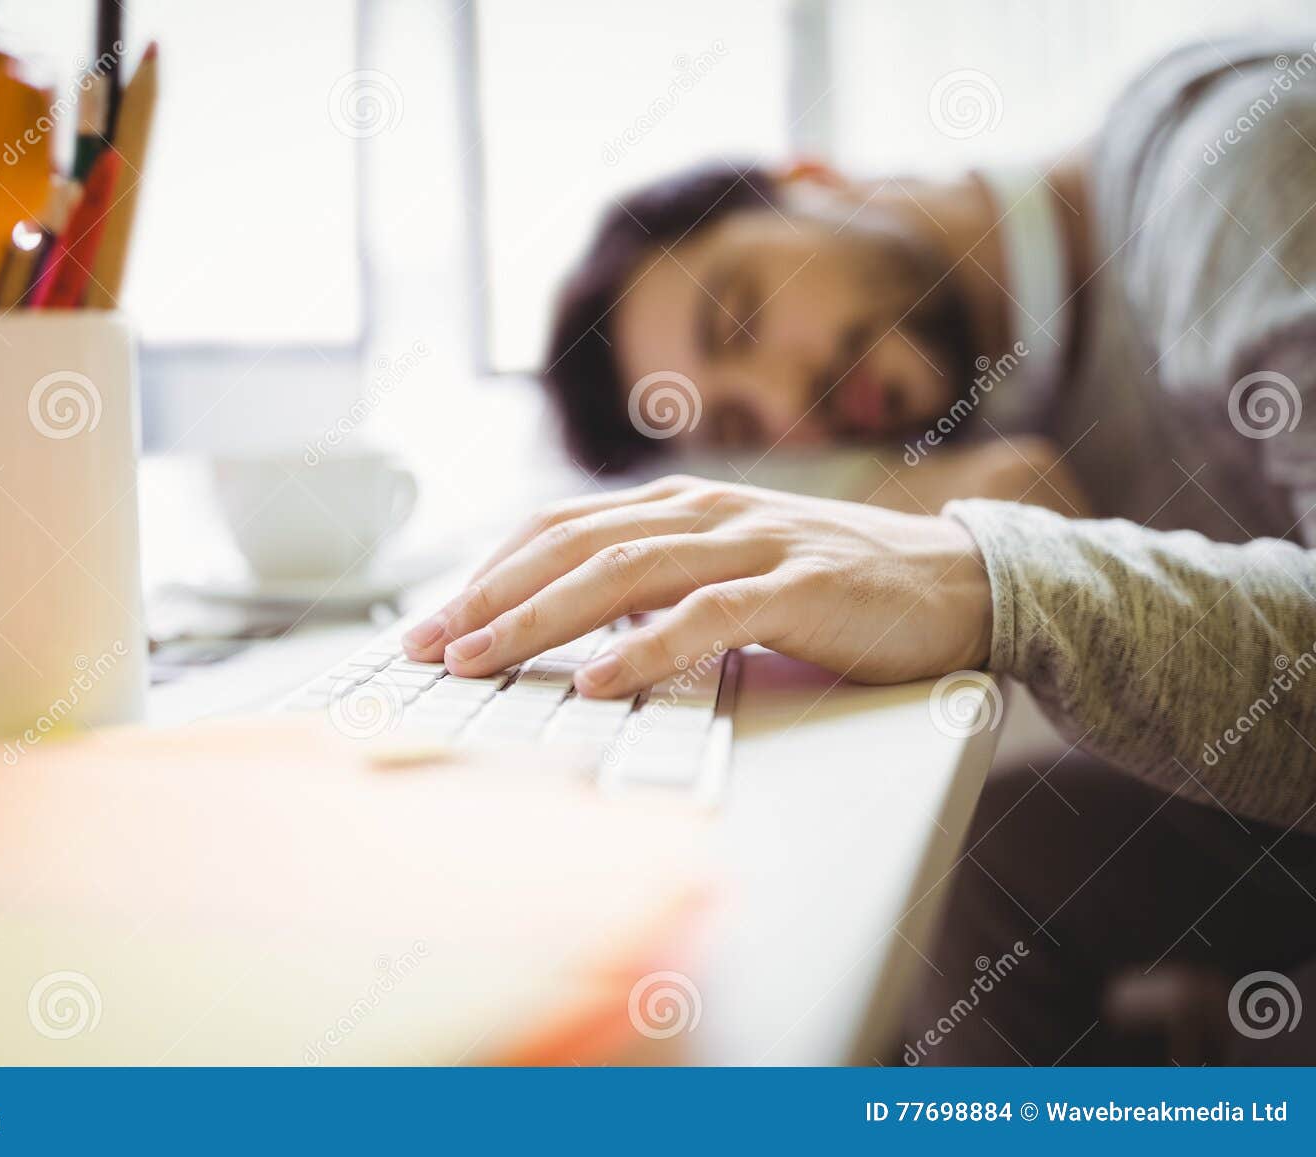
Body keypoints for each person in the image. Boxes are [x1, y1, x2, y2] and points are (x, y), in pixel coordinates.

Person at [403, 36, 1316, 1063]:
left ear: (815, 178)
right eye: (745, 426)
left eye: (741, 316)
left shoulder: (1240, 168)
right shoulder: (1002, 401)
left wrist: (996, 578)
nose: (793, 405)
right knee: (964, 881)